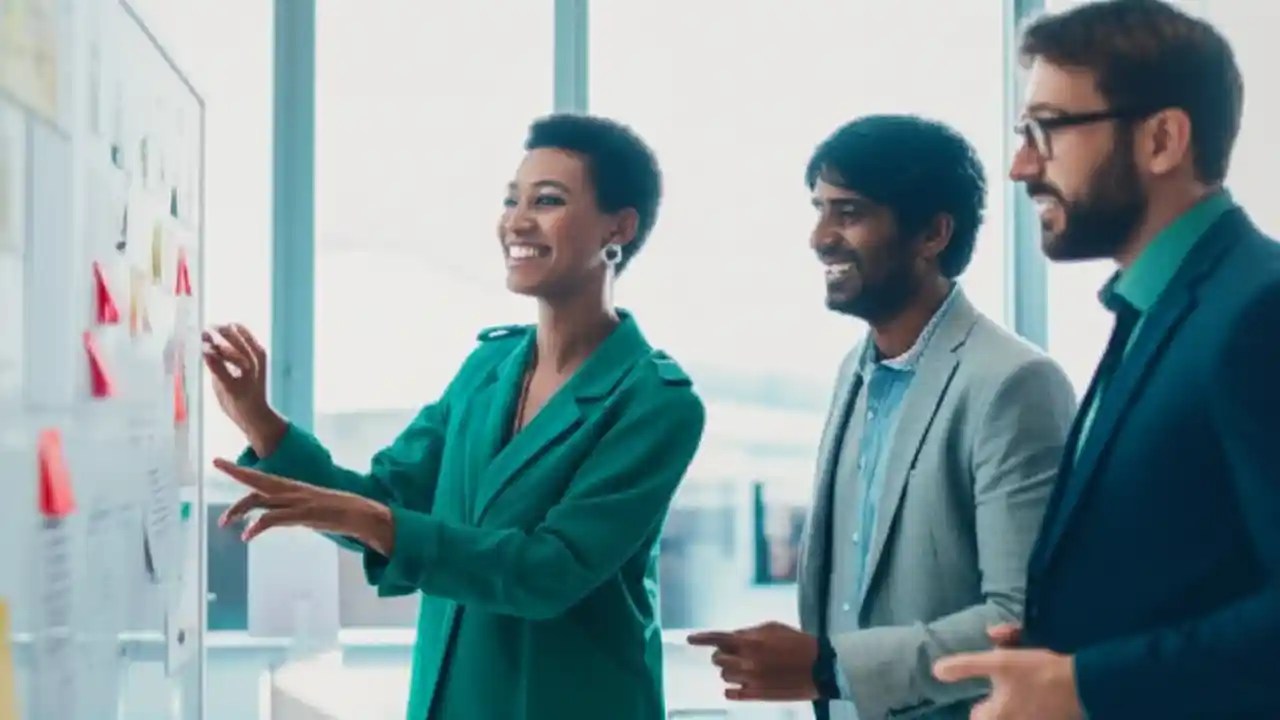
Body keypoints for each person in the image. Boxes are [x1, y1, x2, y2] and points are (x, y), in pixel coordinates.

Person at [204, 114, 706, 720]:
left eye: (547, 201)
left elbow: (550, 570)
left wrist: (379, 521)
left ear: (618, 227)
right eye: (510, 200)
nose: (517, 221)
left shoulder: (656, 401)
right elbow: (386, 499)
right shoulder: (487, 368)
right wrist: (262, 424)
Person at [933, 2, 1280, 719]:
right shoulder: (1156, 308)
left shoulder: (1258, 311)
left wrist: (1082, 684)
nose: (1021, 165)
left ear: (1162, 139)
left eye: (1048, 130)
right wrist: (1061, 645)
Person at [688, 115, 1077, 720]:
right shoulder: (854, 371)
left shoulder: (1013, 383)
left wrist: (829, 665)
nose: (819, 237)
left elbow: (1020, 620)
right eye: (818, 209)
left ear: (932, 234)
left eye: (848, 213)